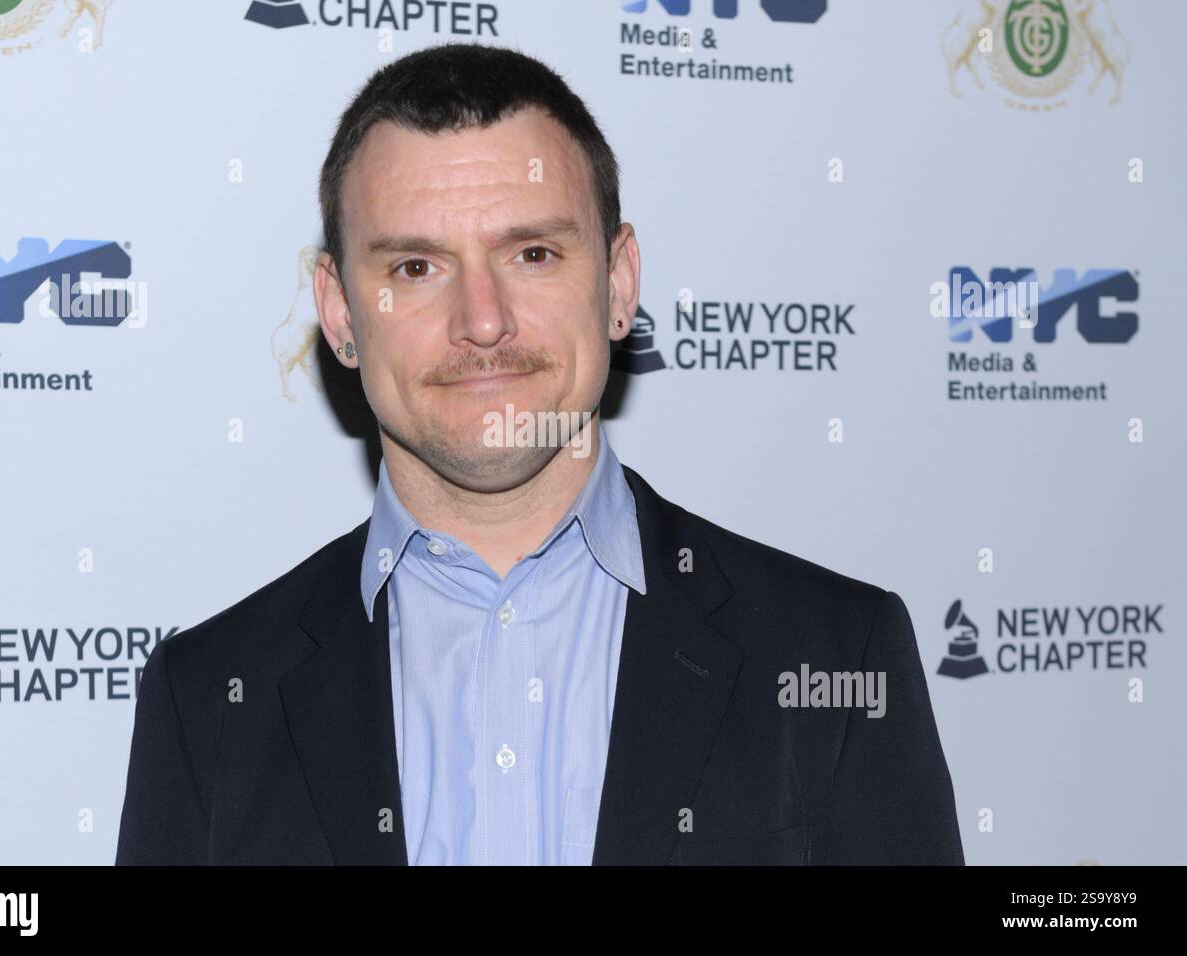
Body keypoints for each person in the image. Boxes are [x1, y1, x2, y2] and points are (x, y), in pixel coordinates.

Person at [116, 41, 963, 866]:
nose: (482, 320)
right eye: (415, 266)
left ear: (619, 284)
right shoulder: (208, 698)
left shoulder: (835, 657)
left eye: (533, 254)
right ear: (339, 313)